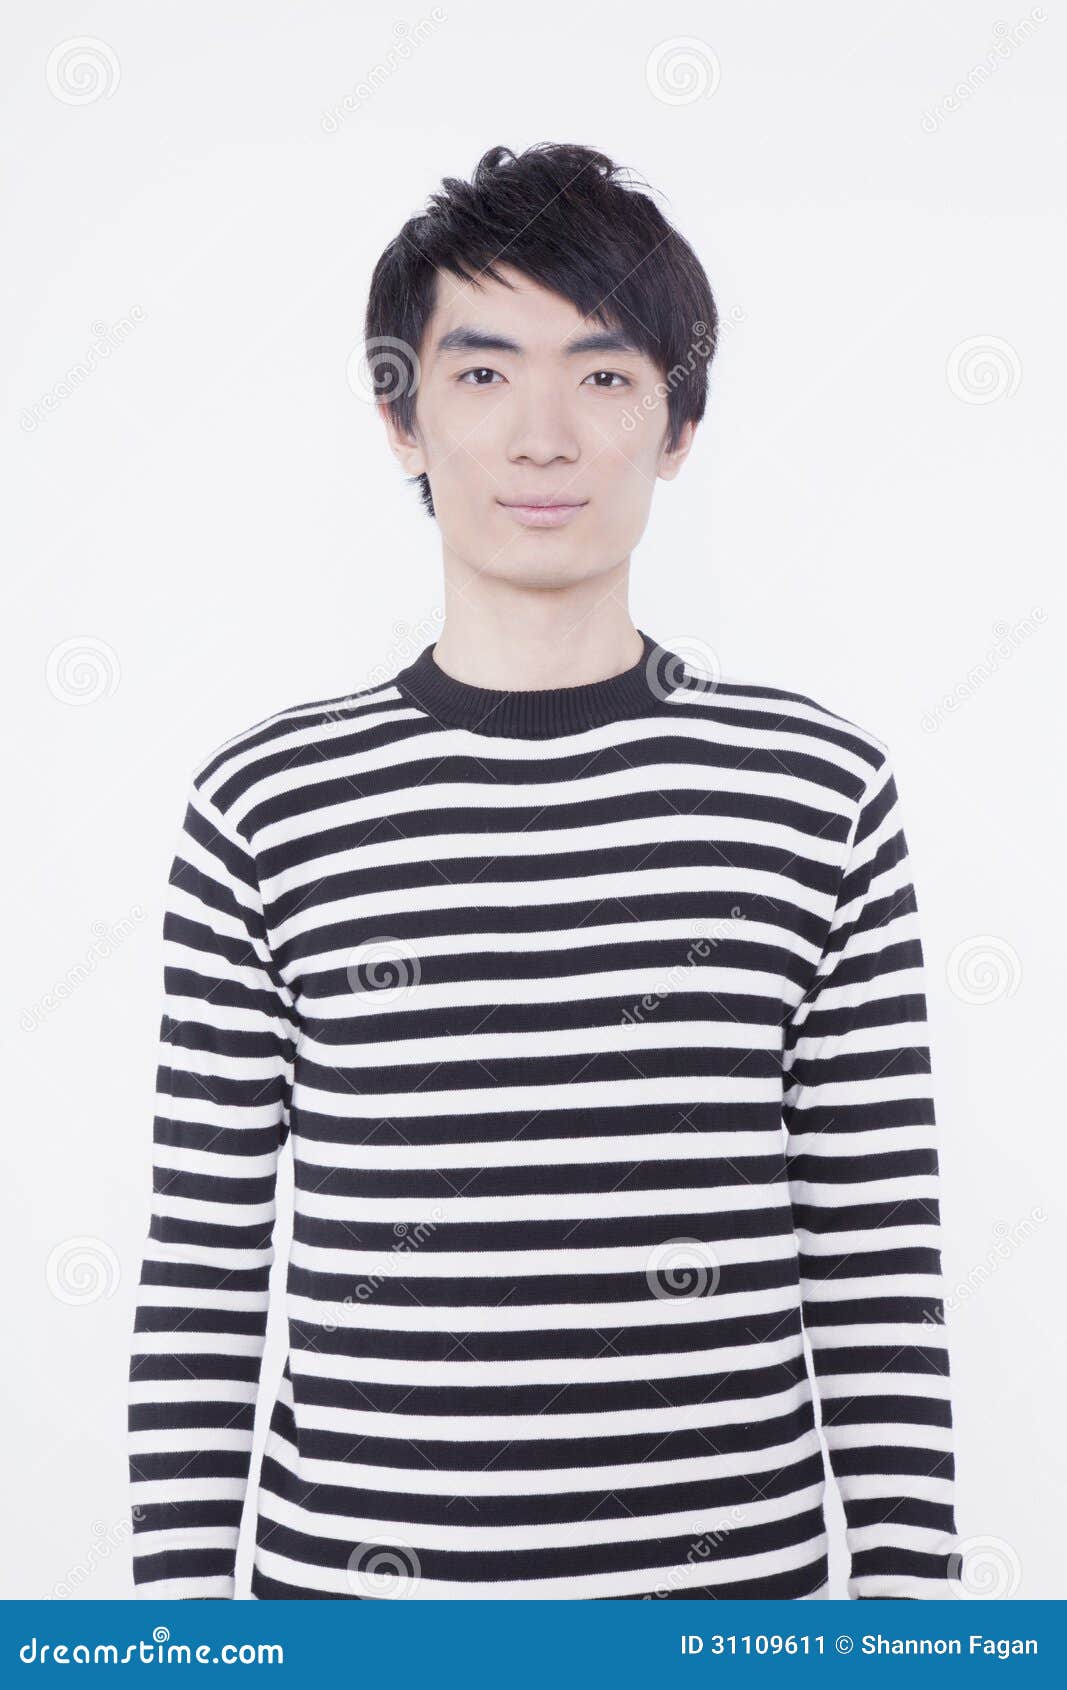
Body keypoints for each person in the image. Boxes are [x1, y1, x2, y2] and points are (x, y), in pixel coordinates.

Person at [127, 141, 959, 1599]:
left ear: (678, 424)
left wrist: (909, 1617)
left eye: (606, 373)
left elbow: (874, 1246)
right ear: (402, 418)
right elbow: (204, 1266)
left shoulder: (818, 791)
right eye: (482, 371)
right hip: (359, 1623)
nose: (544, 437)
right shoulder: (264, 805)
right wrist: (183, 1637)